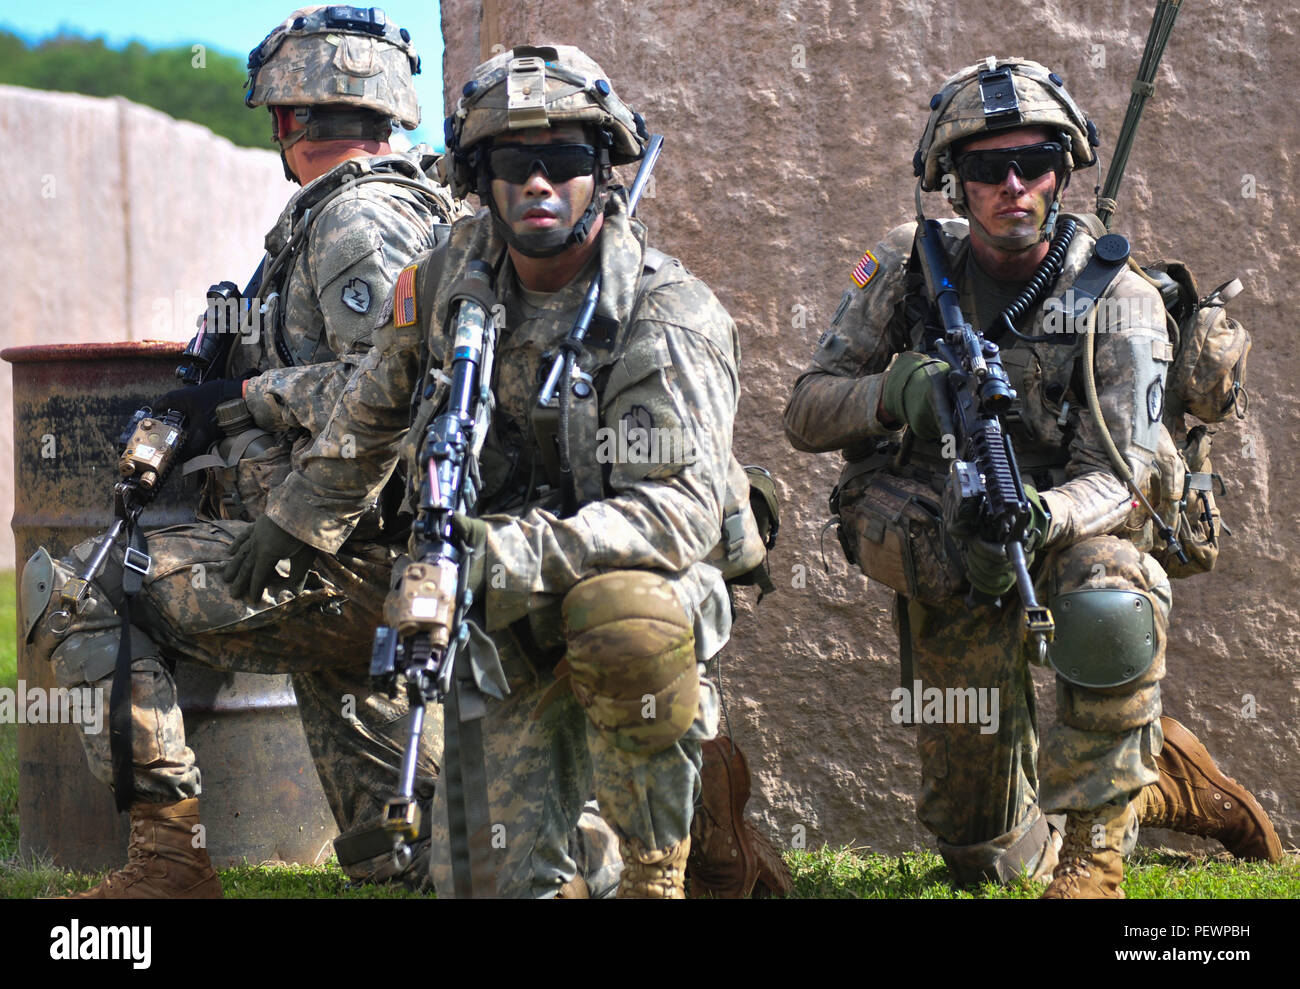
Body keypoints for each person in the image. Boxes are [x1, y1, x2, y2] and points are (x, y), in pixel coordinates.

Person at [784, 57, 1280, 898]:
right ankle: (1162, 778)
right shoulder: (904, 269)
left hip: (1066, 534)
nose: (1012, 184)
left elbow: (1127, 476)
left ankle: (1095, 859)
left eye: (1035, 163)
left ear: (1064, 172)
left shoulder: (1115, 294)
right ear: (952, 181)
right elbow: (805, 411)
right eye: (986, 167)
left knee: (1110, 593)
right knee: (980, 854)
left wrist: (1040, 516)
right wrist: (898, 390)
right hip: (949, 547)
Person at [19, 5, 466, 897]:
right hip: (362, 556)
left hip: (351, 558)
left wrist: (232, 399)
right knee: (412, 861)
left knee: (78, 593)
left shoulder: (360, 223)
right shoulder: (378, 212)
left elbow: (398, 390)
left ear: (290, 120)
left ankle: (170, 861)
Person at [375, 43, 776, 898]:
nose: (539, 184)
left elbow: (677, 514)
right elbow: (371, 404)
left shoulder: (666, 313)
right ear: (479, 177)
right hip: (503, 600)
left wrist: (509, 551)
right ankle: (601, 845)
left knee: (620, 616)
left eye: (565, 161)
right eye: (514, 163)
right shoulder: (451, 278)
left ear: (603, 171)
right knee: (482, 884)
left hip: (638, 580)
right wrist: (289, 524)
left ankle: (659, 870)